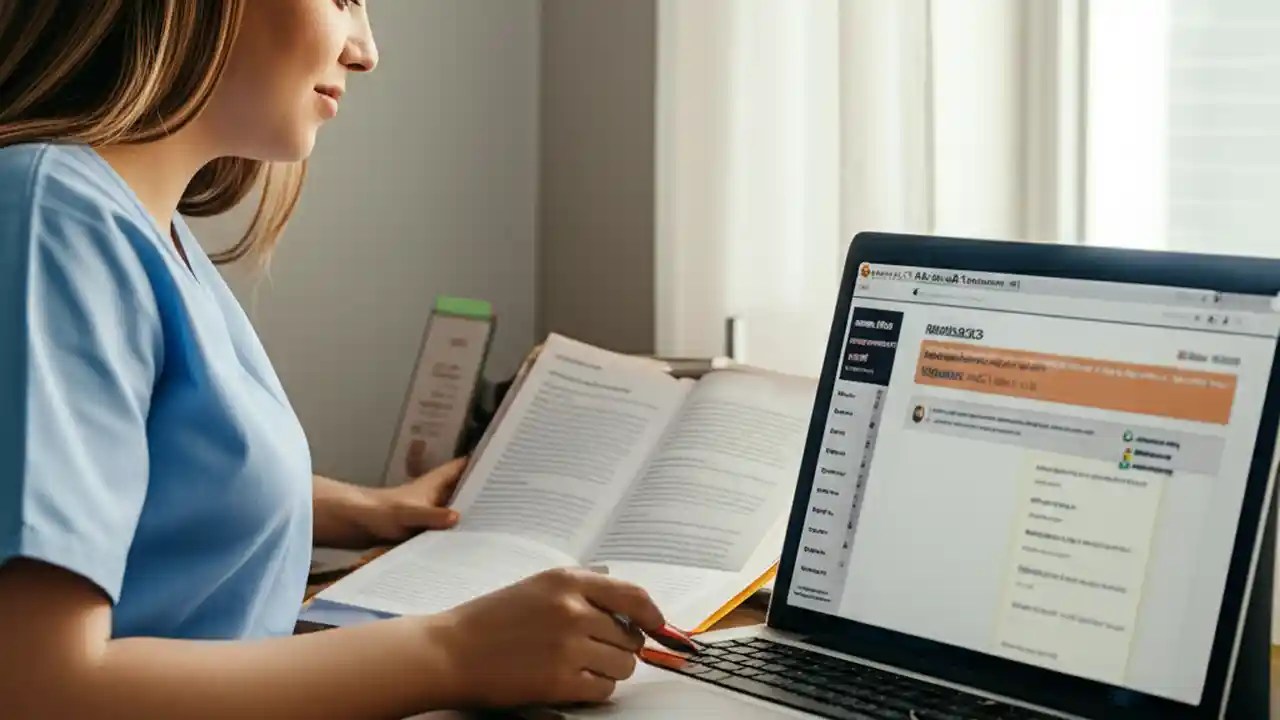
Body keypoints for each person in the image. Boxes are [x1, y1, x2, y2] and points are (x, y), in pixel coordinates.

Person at [0, 2, 663, 718]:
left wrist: (359, 510)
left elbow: (130, 470)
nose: (366, 51)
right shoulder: (52, 215)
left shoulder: (143, 229)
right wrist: (455, 651)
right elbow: (40, 685)